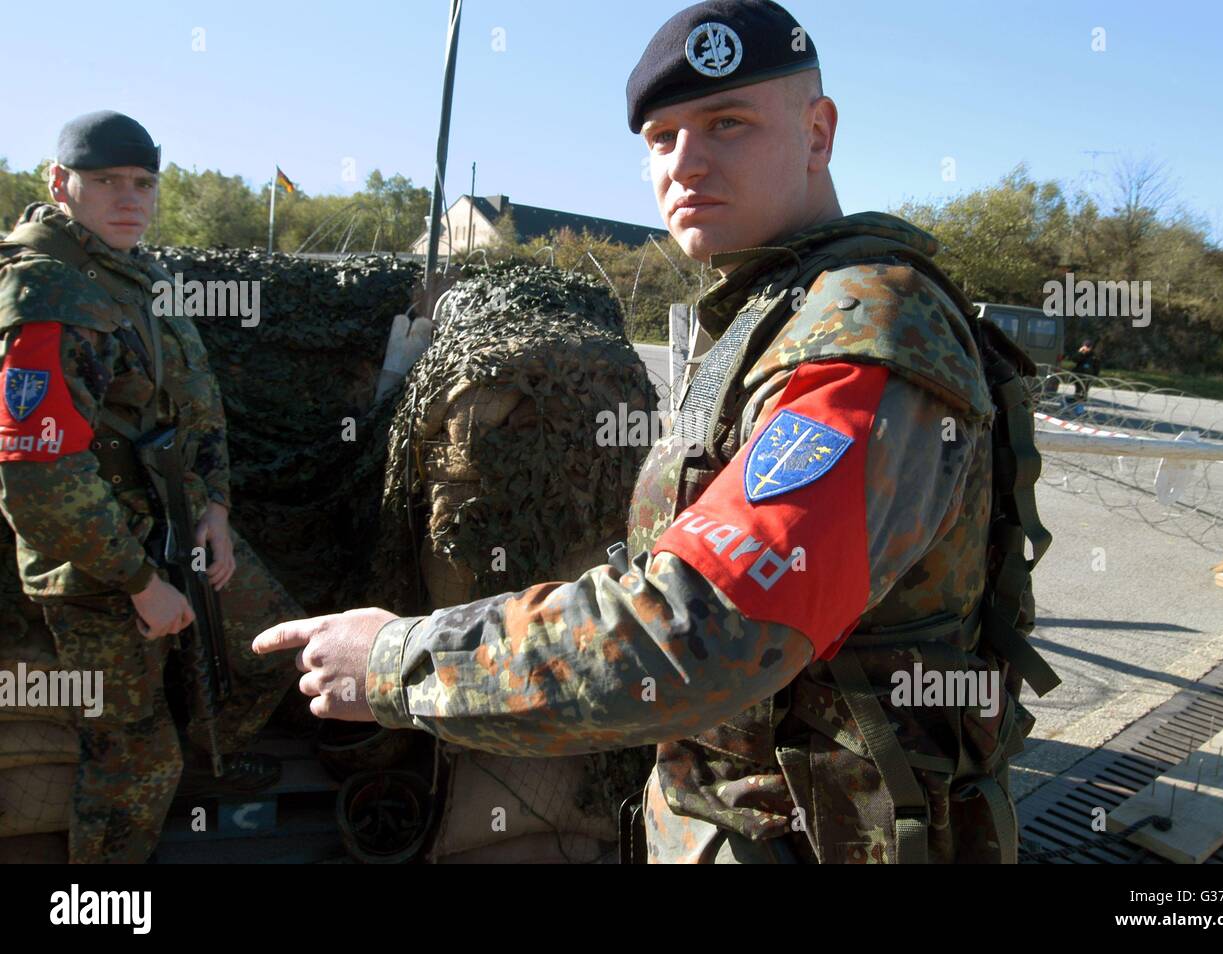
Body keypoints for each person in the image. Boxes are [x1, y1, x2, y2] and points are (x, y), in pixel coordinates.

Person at [255, 0, 1057, 864]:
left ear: (818, 133)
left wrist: (395, 662)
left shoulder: (866, 334)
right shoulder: (777, 311)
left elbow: (703, 630)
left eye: (728, 123)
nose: (686, 162)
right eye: (660, 138)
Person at [0, 111, 301, 863]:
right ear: (60, 183)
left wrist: (219, 510)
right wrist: (140, 583)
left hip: (179, 527)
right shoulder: (47, 295)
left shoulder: (140, 275)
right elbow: (37, 479)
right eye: (107, 182)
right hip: (96, 569)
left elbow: (197, 403)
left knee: (273, 646)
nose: (129, 198)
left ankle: (212, 763)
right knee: (133, 756)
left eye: (142, 183)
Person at [1072, 339, 1100, 406]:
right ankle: (1075, 407)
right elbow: (1074, 359)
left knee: (1084, 394)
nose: (1087, 348)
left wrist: (1095, 376)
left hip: (1088, 377)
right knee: (1078, 392)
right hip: (1079, 376)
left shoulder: (1094, 356)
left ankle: (1080, 409)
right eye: (1086, 346)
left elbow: (1097, 367)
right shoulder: (1082, 354)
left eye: (1089, 347)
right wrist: (1080, 352)